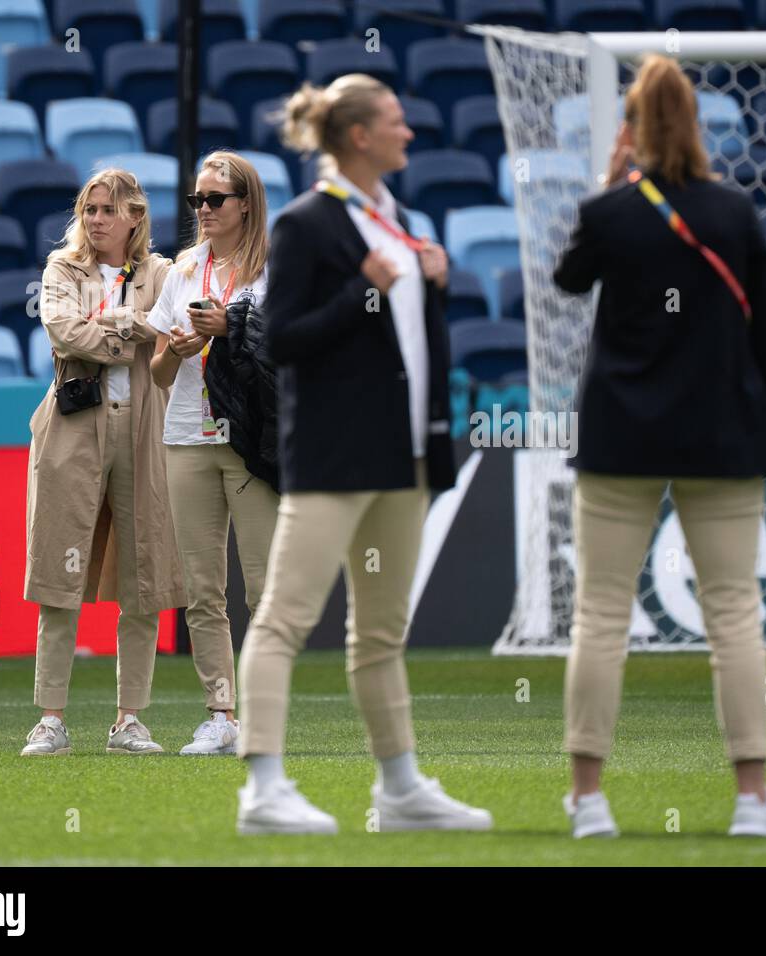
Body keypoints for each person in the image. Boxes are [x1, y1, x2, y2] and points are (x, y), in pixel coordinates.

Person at [232, 74, 491, 834]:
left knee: (381, 633)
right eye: (395, 121)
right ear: (359, 136)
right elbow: (281, 340)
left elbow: (404, 342)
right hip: (333, 455)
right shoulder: (306, 223)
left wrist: (433, 285)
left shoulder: (398, 219)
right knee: (283, 620)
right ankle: (263, 789)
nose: (408, 132)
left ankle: (401, 789)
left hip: (402, 456)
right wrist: (360, 292)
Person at [553, 54, 766, 839]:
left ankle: (589, 799)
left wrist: (610, 183)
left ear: (630, 128)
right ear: (695, 123)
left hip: (620, 435)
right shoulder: (733, 210)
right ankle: (752, 799)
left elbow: (567, 279)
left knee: (600, 615)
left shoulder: (610, 211)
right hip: (721, 433)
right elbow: (765, 333)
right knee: (735, 614)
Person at [22, 168, 184, 756]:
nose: (95, 220)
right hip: (72, 429)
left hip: (146, 429)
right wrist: (137, 330)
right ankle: (50, 721)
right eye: (89, 209)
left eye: (108, 210)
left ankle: (129, 721)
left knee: (145, 577)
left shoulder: (162, 271)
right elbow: (65, 333)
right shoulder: (62, 268)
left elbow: (174, 324)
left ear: (135, 217)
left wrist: (111, 321)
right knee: (58, 576)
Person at [148, 150, 278, 756]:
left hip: (248, 440)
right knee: (203, 591)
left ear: (245, 204)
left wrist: (234, 330)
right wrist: (176, 350)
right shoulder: (182, 271)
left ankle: (265, 716)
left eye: (215, 199)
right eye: (197, 199)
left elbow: (288, 351)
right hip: (186, 436)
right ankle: (221, 715)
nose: (202, 209)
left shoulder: (272, 270)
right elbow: (156, 374)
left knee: (263, 588)